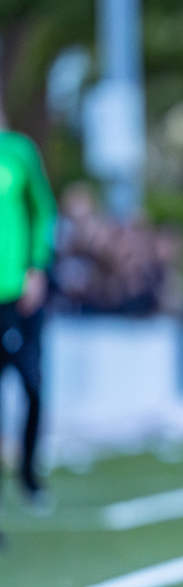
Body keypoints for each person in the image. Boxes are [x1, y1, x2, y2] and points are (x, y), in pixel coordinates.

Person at [0, 129, 59, 531]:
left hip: (19, 297)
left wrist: (37, 267)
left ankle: (28, 473)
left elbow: (44, 211)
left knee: (33, 386)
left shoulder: (18, 151)